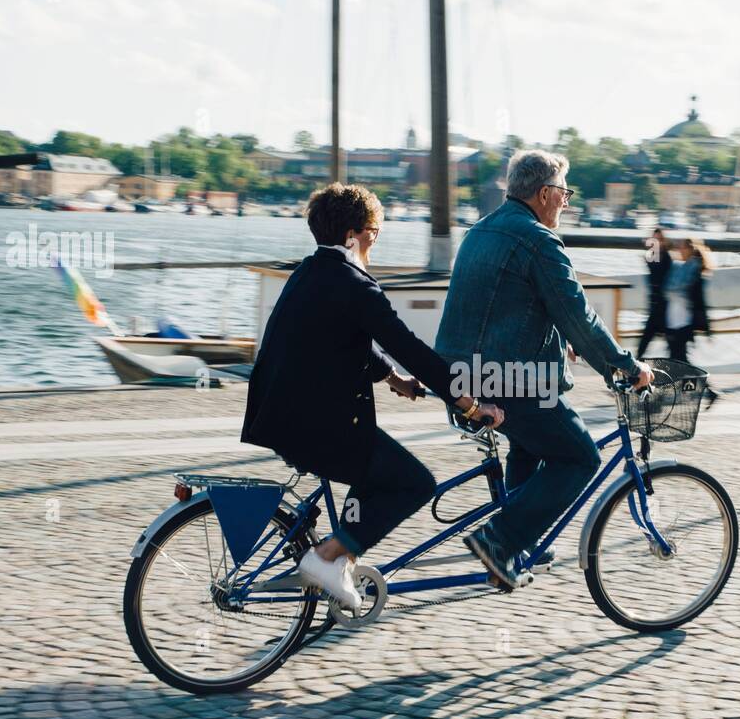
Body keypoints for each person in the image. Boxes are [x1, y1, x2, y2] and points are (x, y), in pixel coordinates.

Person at [242, 183, 504, 611]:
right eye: (375, 232)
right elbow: (411, 348)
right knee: (415, 482)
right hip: (318, 425)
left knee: (371, 473)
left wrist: (392, 379)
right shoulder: (353, 283)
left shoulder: (310, 272)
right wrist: (470, 404)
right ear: (357, 234)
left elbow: (350, 338)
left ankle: (340, 559)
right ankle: (327, 557)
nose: (375, 241)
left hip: (279, 416)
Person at [435, 150, 652, 589]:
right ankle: (499, 540)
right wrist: (625, 366)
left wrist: (558, 340)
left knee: (529, 446)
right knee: (579, 457)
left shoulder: (481, 230)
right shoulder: (538, 239)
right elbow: (580, 315)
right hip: (505, 378)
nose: (567, 204)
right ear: (544, 193)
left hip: (459, 374)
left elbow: (506, 306)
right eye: (564, 194)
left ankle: (521, 544)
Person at [664, 237, 720, 406]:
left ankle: (706, 391)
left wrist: (708, 328)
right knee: (678, 362)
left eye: (681, 247)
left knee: (679, 362)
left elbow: (700, 301)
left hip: (683, 323)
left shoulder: (695, 271)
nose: (678, 250)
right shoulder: (679, 268)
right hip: (672, 321)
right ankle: (704, 391)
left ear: (689, 250)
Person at [637, 227, 672, 358]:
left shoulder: (666, 258)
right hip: (656, 306)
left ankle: (635, 367)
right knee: (646, 341)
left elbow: (659, 277)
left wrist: (648, 262)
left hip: (663, 307)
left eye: (658, 240)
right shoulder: (655, 256)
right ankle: (635, 367)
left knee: (671, 345)